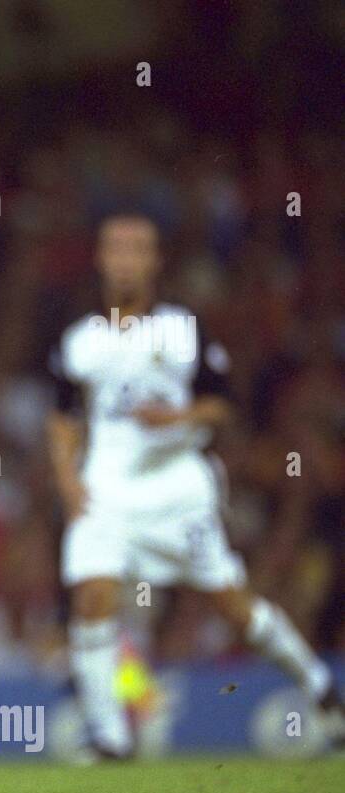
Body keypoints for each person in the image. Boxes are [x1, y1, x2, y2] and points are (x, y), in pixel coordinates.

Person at [47, 211, 343, 758]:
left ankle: (319, 684)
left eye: (138, 248)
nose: (126, 259)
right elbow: (63, 418)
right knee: (91, 597)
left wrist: (179, 419)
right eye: (116, 248)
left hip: (177, 489)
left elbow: (224, 405)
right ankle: (110, 737)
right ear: (101, 259)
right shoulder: (79, 341)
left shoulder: (184, 330)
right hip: (105, 488)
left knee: (233, 607)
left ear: (155, 262)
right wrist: (68, 482)